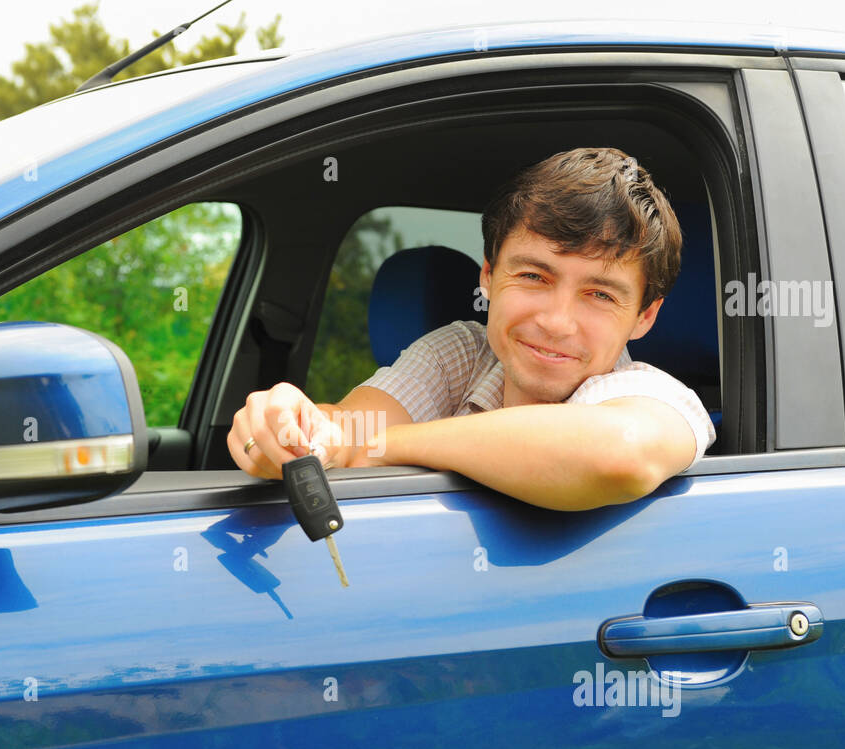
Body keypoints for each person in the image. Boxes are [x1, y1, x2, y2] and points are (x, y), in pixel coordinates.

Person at [227, 147, 716, 511]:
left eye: (601, 295)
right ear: (488, 276)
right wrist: (295, 429)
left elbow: (617, 456)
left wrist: (387, 445)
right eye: (533, 276)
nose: (555, 321)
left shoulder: (656, 396)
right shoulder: (465, 350)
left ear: (645, 316)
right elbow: (348, 429)